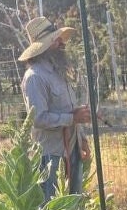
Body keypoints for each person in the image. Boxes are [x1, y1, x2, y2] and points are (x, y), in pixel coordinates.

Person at [19, 16, 92, 200]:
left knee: (73, 204)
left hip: (71, 147)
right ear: (43, 47)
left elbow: (71, 109)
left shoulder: (59, 72)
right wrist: (72, 118)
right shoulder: (35, 77)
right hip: (50, 156)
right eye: (56, 40)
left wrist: (82, 137)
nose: (61, 42)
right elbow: (38, 118)